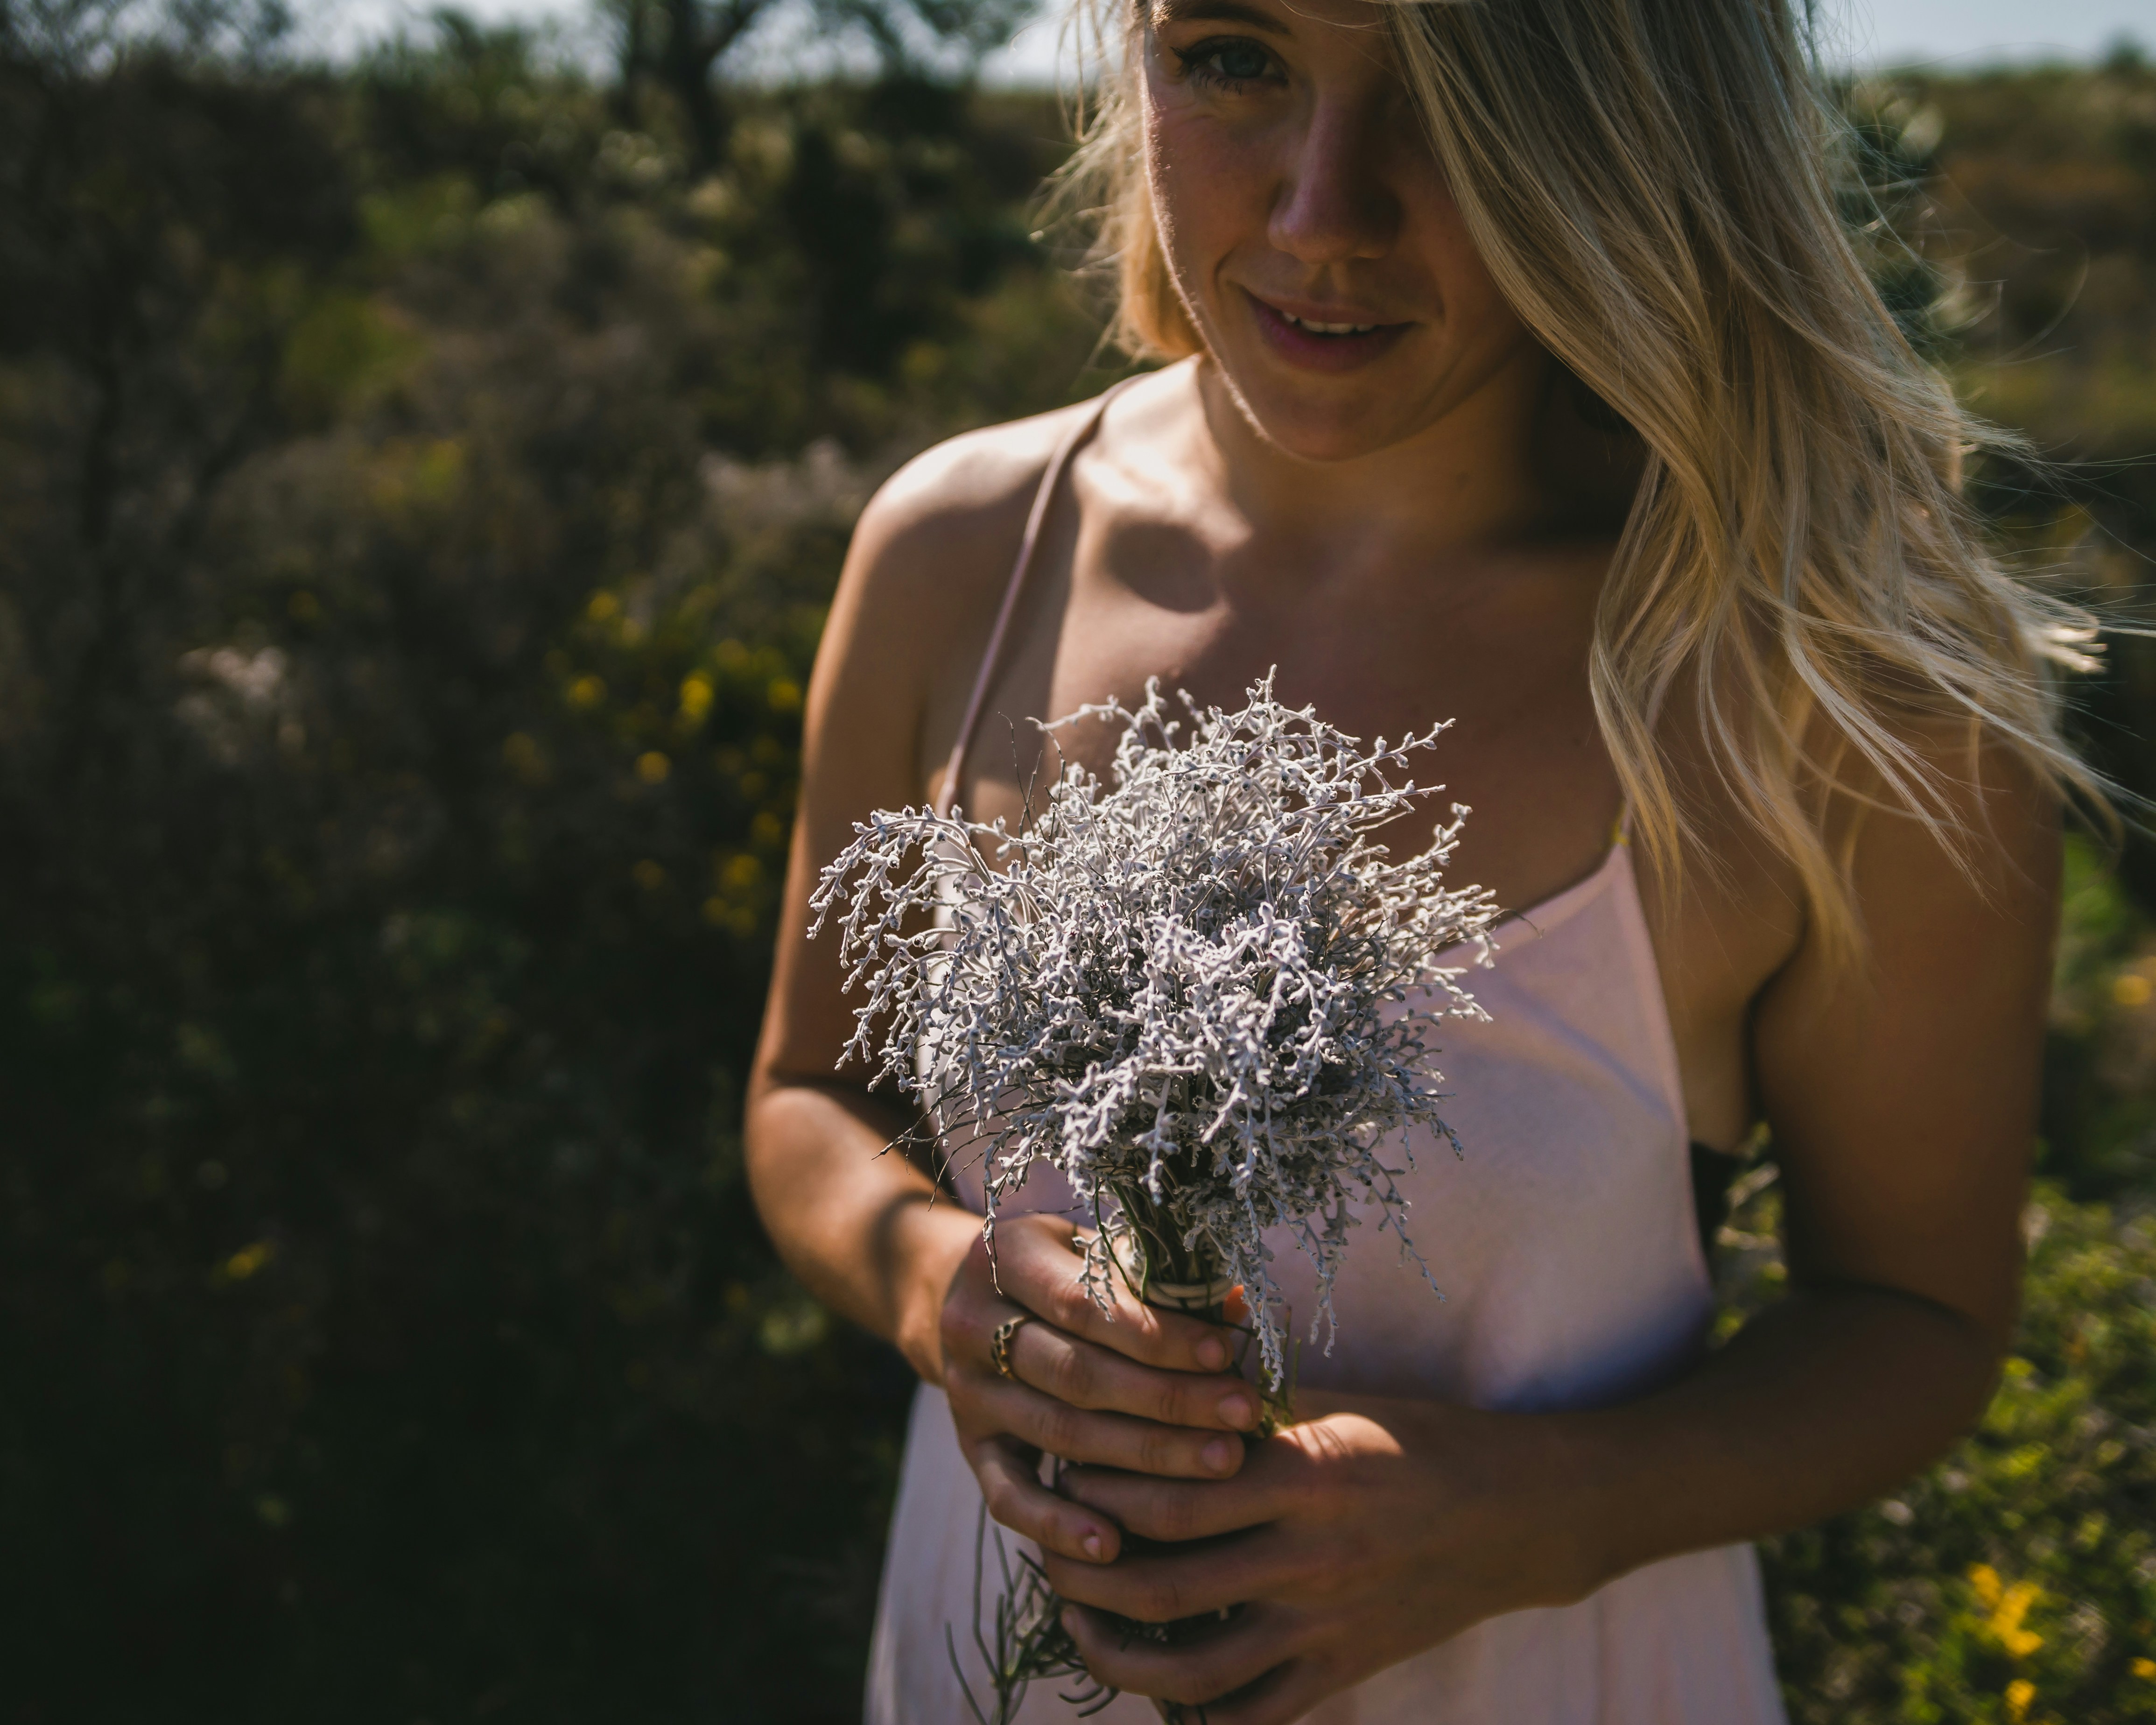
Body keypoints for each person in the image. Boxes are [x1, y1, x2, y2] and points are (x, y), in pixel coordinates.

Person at [744, 0, 2097, 1718]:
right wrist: (944, 1290)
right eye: (1235, 56)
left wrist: (1536, 1520)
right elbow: (809, 1095)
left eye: (1463, 102)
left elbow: (1912, 1320)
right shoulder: (963, 551)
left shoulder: (1827, 689)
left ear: (1625, 128)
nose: (1324, 211)